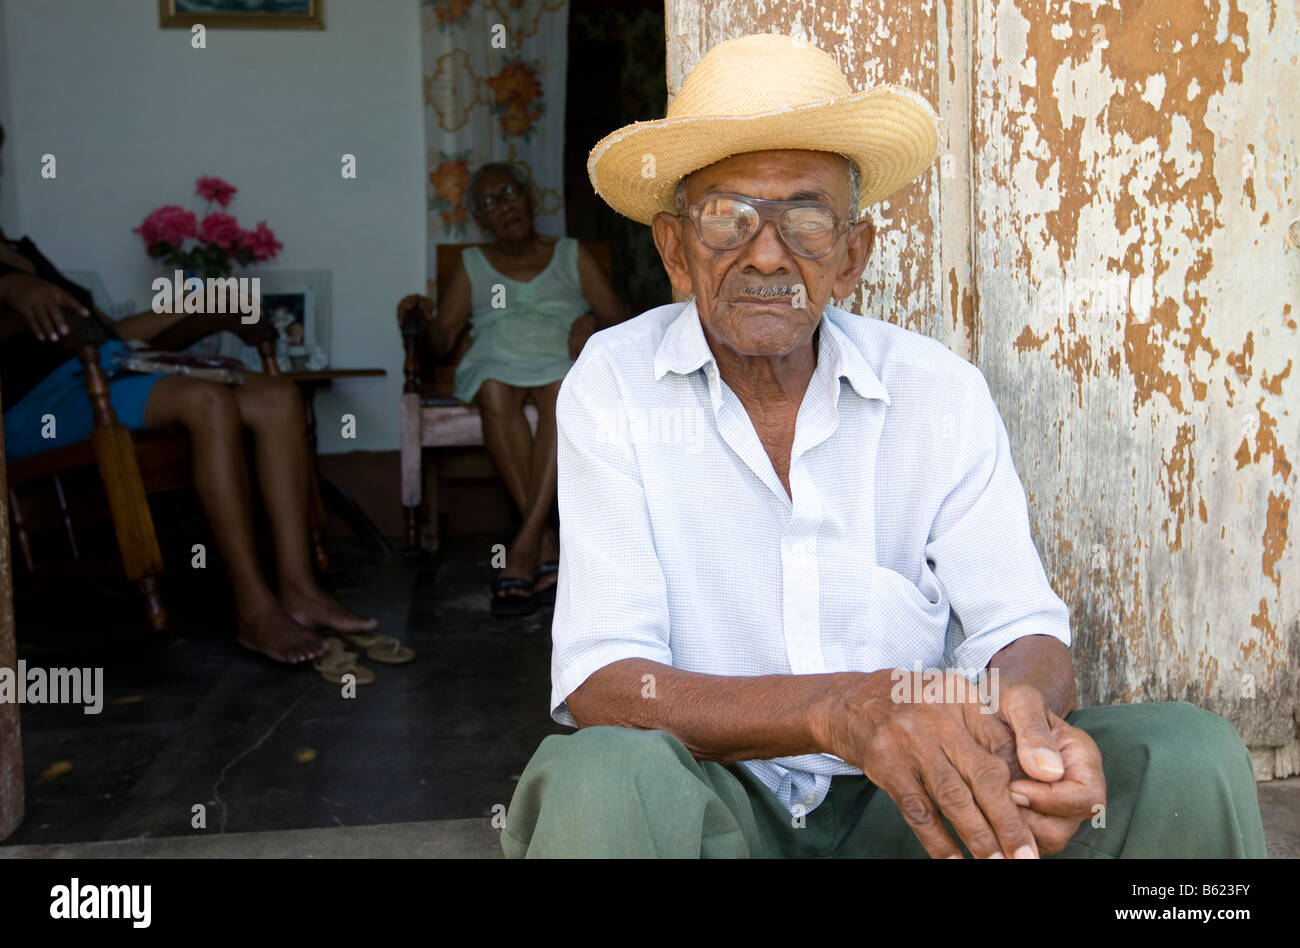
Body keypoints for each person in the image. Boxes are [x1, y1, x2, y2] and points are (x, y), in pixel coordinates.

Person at [499, 34, 1266, 858]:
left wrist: (1026, 728)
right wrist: (842, 712)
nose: (766, 253)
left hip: (919, 805)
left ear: (853, 256)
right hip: (714, 803)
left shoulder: (937, 391)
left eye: (805, 218)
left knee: (1187, 754)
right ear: (675, 252)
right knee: (598, 779)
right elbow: (608, 684)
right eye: (726, 218)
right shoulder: (614, 384)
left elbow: (1024, 634)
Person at [0, 120, 384, 674]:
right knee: (208, 401)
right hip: (34, 408)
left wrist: (198, 306)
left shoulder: (19, 251)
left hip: (103, 367)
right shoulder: (10, 274)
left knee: (276, 396)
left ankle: (299, 587)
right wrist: (11, 289)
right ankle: (254, 608)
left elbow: (108, 329)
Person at [397, 162, 623, 615]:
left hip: (560, 357)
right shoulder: (473, 264)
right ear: (480, 221)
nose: (504, 206)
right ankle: (543, 543)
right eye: (489, 203)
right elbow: (442, 344)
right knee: (494, 388)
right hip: (495, 360)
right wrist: (418, 316)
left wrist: (593, 320)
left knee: (565, 392)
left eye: (510, 193)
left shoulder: (570, 255)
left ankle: (524, 547)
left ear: (530, 196)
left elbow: (620, 319)